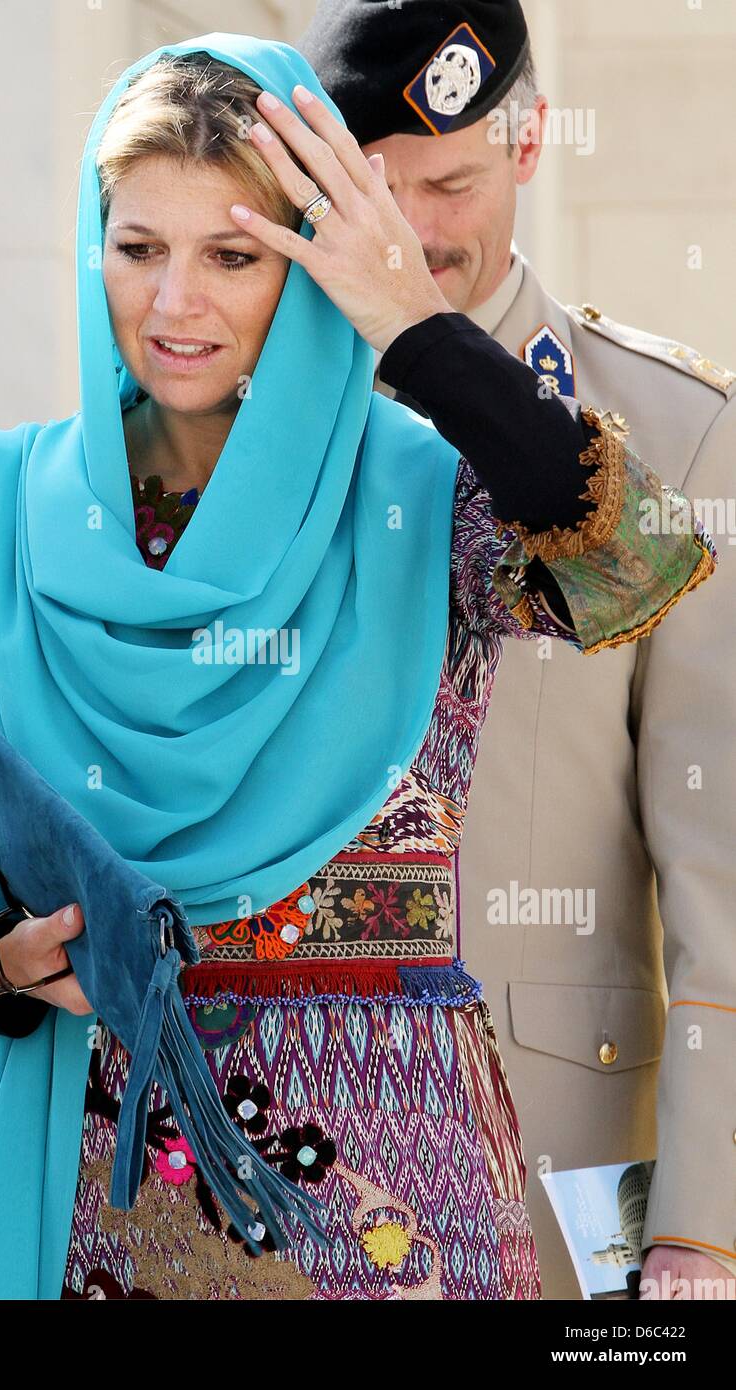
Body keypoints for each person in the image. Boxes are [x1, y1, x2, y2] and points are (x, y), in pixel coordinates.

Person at [0, 32, 717, 1301]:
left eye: (233, 256)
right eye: (138, 250)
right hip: (90, 1189)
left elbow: (638, 563)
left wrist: (412, 324)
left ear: (304, 268)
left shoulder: (416, 498)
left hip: (397, 1208)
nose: (175, 304)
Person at [297, 0, 736, 1299]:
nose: (416, 231)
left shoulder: (675, 430)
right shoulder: (234, 422)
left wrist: (699, 1231)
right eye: (374, 189)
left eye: (451, 182)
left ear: (532, 142)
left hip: (567, 1177)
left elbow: (721, 871)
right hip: (279, 1165)